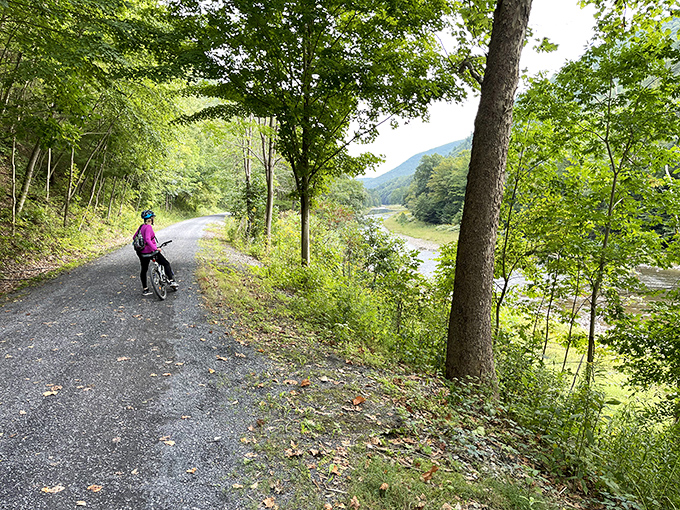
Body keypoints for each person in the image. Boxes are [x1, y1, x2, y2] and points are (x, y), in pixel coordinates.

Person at [134, 209, 178, 295]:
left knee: (144, 269)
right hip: (150, 251)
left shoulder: (141, 227)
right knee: (166, 263)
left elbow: (134, 237)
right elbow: (147, 239)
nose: (154, 219)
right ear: (150, 219)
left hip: (141, 253)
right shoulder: (148, 227)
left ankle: (145, 289)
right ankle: (172, 281)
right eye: (153, 217)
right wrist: (155, 248)